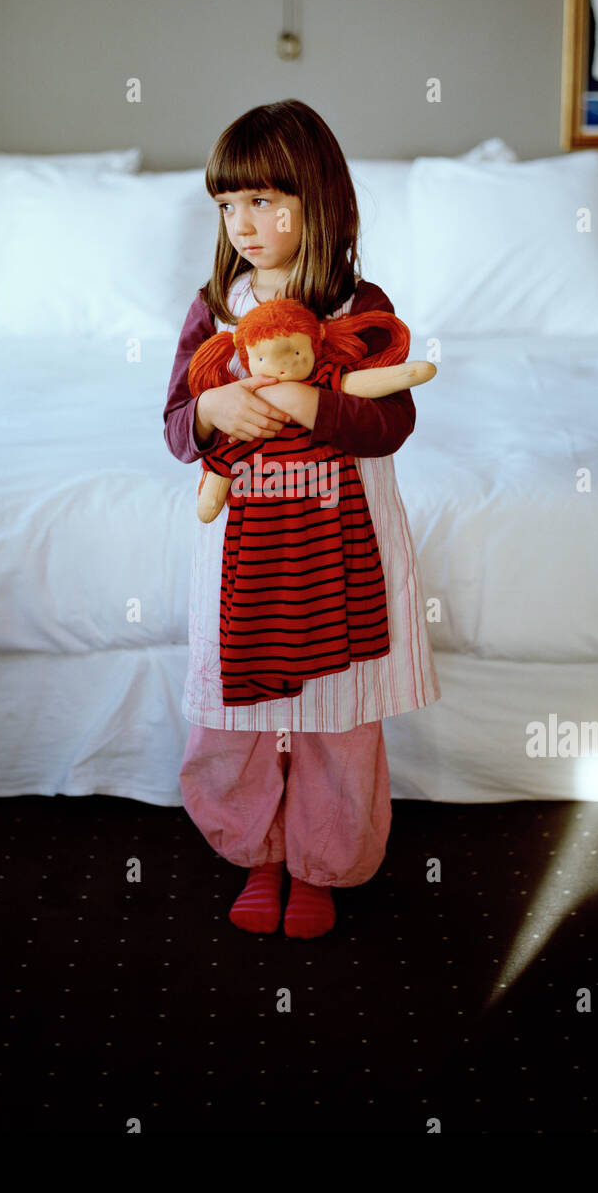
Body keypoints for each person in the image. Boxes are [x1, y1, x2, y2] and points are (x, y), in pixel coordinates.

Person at [162, 98, 440, 939]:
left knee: (335, 720)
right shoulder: (214, 308)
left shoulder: (360, 304)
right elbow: (177, 431)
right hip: (247, 556)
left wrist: (307, 401)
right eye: (226, 206)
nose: (242, 223)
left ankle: (322, 863)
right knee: (237, 720)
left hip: (340, 549)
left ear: (317, 200)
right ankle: (260, 854)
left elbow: (391, 422)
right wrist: (214, 410)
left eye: (263, 201)